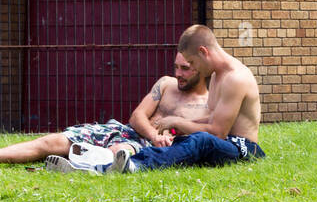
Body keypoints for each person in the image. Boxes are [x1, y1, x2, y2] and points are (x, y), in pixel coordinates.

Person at [0, 52, 208, 170]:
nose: (178, 74)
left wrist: (160, 140)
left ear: (202, 67)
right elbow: (137, 117)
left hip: (143, 146)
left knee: (116, 153)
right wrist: (154, 133)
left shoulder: (207, 105)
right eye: (176, 67)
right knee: (54, 140)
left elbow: (195, 140)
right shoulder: (165, 84)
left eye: (185, 68)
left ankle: (75, 165)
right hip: (124, 130)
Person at [110, 24, 265, 172]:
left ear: (203, 51)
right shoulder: (217, 75)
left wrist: (177, 121)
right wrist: (180, 127)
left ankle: (137, 165)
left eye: (191, 62)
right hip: (223, 144)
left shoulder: (235, 78)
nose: (194, 68)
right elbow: (213, 119)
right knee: (185, 139)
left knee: (201, 140)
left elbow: (218, 132)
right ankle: (119, 163)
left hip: (243, 148)